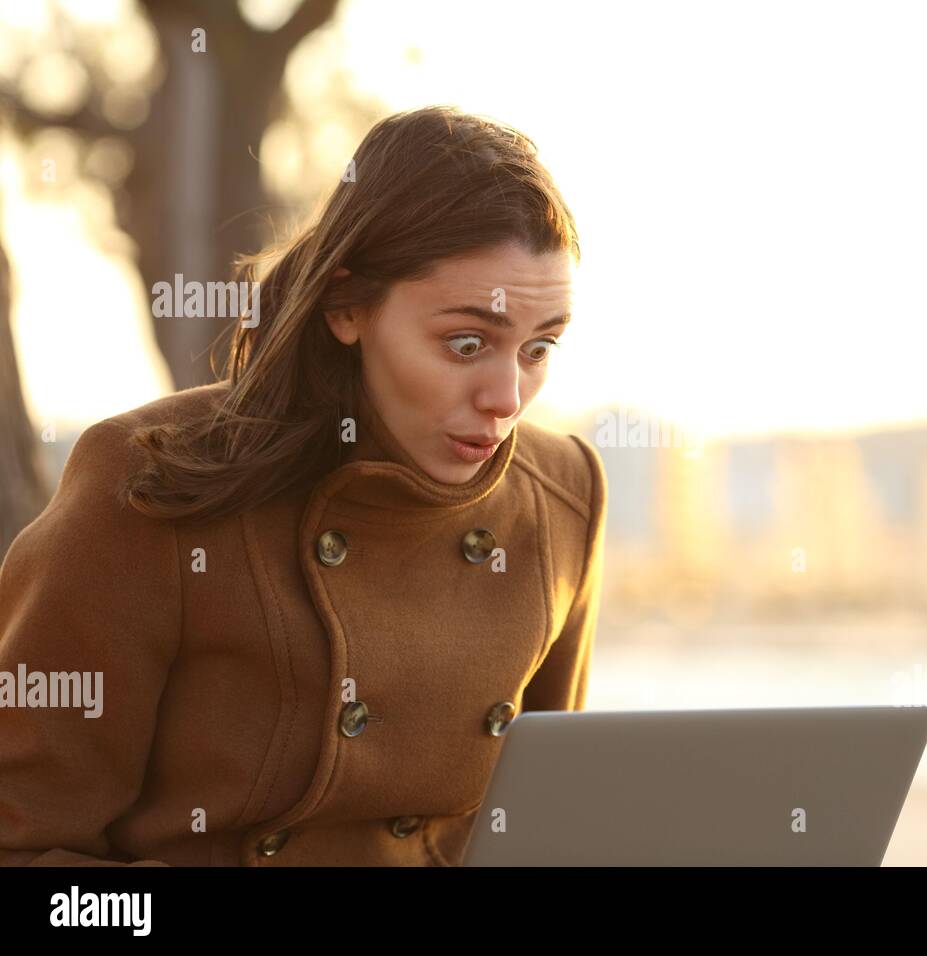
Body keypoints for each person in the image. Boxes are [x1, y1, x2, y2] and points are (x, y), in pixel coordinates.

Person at [0, 105, 607, 866]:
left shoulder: (562, 496)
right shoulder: (148, 481)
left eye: (540, 347)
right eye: (466, 343)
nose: (507, 398)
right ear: (347, 305)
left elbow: (543, 832)